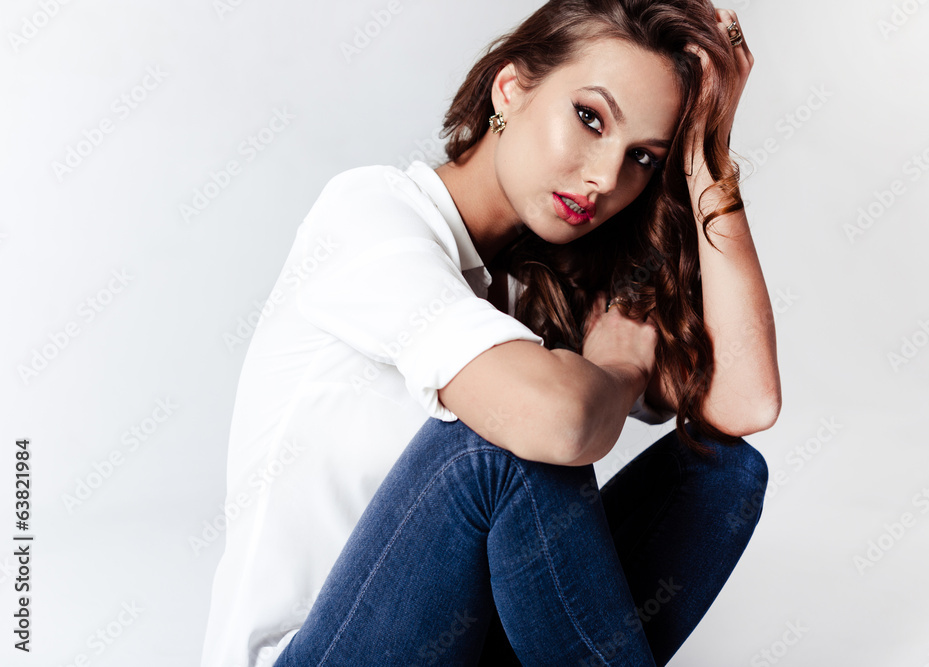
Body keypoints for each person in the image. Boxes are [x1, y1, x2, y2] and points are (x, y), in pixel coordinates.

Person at [200, 0, 779, 665]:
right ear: (512, 89)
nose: (605, 177)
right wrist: (615, 371)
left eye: (642, 158)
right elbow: (554, 421)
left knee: (721, 475)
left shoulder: (549, 286)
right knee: (500, 444)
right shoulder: (367, 216)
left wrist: (711, 158)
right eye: (589, 118)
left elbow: (746, 401)